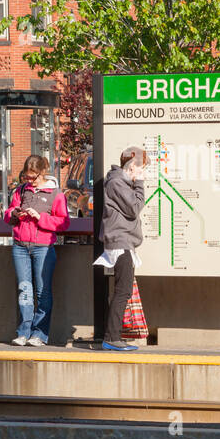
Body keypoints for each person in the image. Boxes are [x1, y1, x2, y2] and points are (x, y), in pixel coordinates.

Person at [4, 155, 69, 346]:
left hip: (43, 247)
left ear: (42, 173)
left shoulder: (55, 194)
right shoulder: (21, 190)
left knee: (42, 292)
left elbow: (63, 222)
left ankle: (39, 334)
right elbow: (8, 215)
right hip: (20, 245)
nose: (29, 181)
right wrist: (14, 213)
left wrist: (40, 217)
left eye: (33, 177)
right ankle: (23, 332)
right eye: (26, 177)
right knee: (24, 290)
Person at [97, 146, 147, 351]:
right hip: (120, 241)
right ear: (133, 166)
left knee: (122, 290)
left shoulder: (119, 181)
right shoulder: (118, 182)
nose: (143, 172)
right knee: (122, 291)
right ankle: (111, 337)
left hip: (123, 241)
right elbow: (134, 208)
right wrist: (140, 183)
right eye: (142, 168)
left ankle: (113, 336)